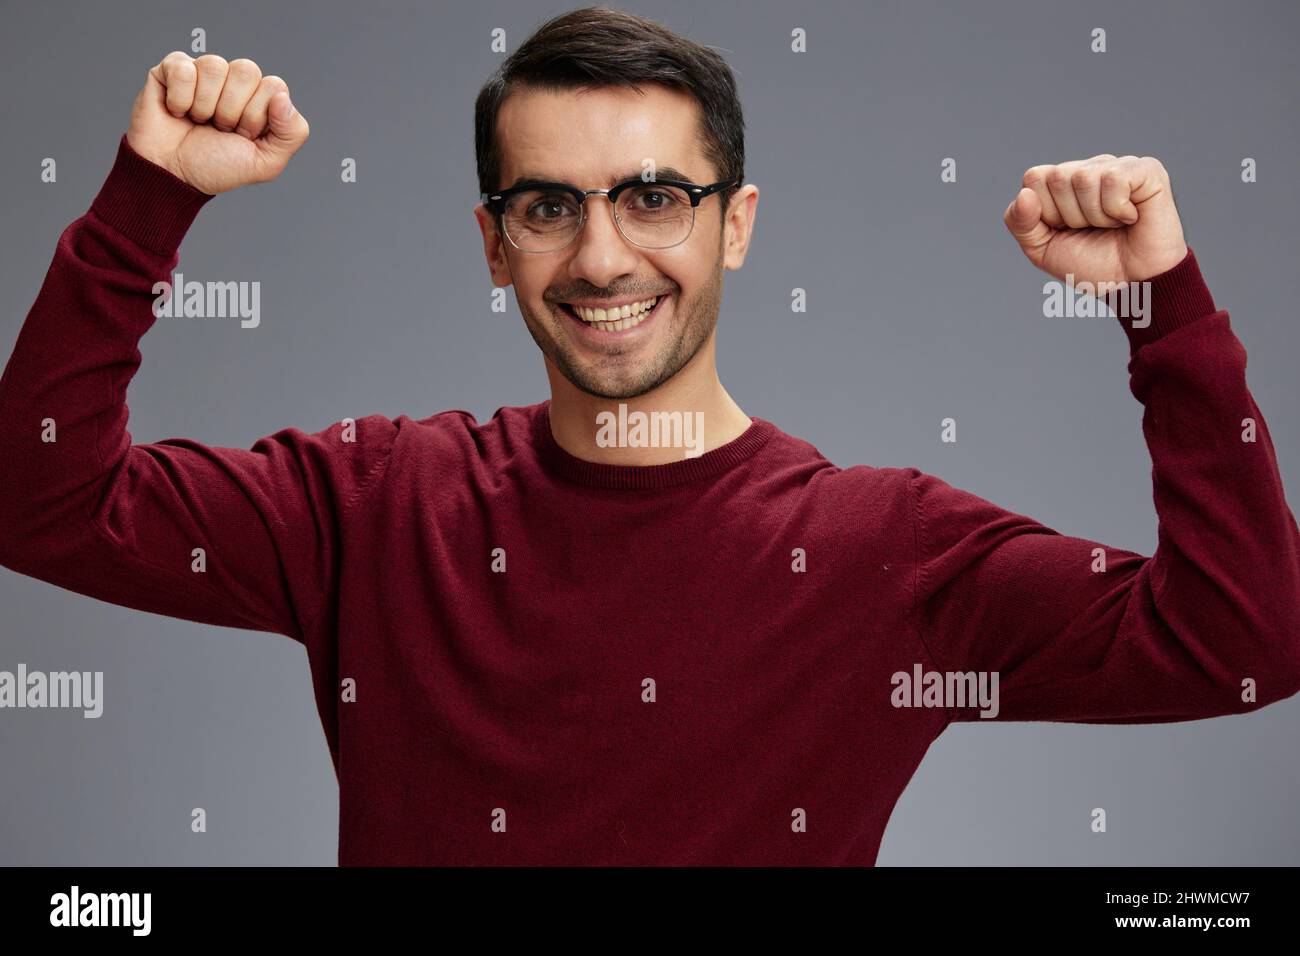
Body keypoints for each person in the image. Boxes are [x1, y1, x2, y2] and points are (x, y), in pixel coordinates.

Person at [1, 7, 1297, 866]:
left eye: (656, 199)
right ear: (494, 245)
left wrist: (1160, 304)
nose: (603, 254)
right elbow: (36, 496)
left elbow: (1245, 644)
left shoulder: (877, 555)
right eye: (550, 206)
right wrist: (150, 195)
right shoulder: (377, 502)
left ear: (736, 226)